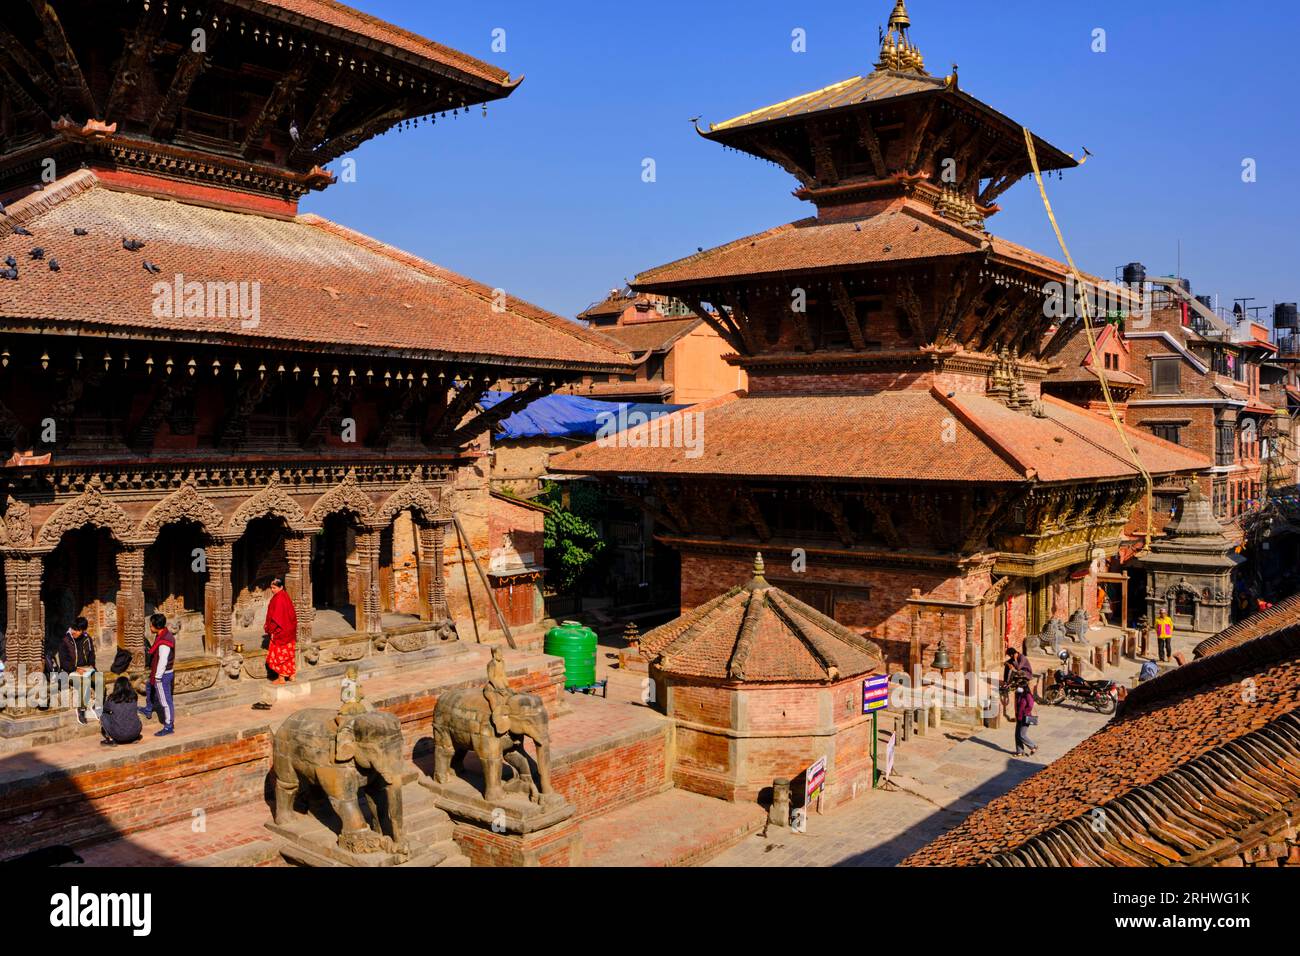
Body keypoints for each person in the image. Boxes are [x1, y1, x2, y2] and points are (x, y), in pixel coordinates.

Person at [138, 613, 175, 736]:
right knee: (149, 686)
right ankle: (148, 709)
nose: (150, 627)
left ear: (155, 626)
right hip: (158, 672)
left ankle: (169, 725)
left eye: (151, 625)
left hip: (163, 674)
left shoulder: (165, 641)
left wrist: (158, 677)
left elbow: (163, 661)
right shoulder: (161, 634)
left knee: (165, 701)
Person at [263, 577, 297, 686]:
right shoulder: (285, 596)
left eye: (274, 588)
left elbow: (276, 618)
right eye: (271, 588)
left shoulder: (278, 599)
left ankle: (281, 678)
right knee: (289, 653)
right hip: (289, 631)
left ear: (281, 587)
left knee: (280, 654)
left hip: (281, 631)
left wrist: (272, 630)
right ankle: (291, 675)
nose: (272, 590)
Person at [100, 676, 142, 746]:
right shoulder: (134, 697)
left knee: (103, 716)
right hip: (135, 733)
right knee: (134, 715)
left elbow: (104, 709)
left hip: (119, 736)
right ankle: (132, 738)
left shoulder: (112, 699)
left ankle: (110, 740)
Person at [484, 646, 511, 733]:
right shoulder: (491, 664)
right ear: (494, 654)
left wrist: (506, 685)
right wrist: (498, 687)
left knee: (510, 696)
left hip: (501, 685)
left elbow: (503, 675)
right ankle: (497, 722)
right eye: (499, 654)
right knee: (494, 702)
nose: (501, 656)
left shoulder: (502, 662)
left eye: (502, 654)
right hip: (492, 687)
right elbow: (491, 677)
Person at [1013, 679, 1038, 757]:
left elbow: (1030, 705)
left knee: (1022, 735)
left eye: (1020, 686)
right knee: (1017, 735)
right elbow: (1017, 705)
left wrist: (1024, 712)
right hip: (1019, 717)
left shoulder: (1027, 695)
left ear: (1024, 687)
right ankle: (1019, 751)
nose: (1018, 688)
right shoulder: (1019, 694)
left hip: (1025, 717)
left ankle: (1033, 746)